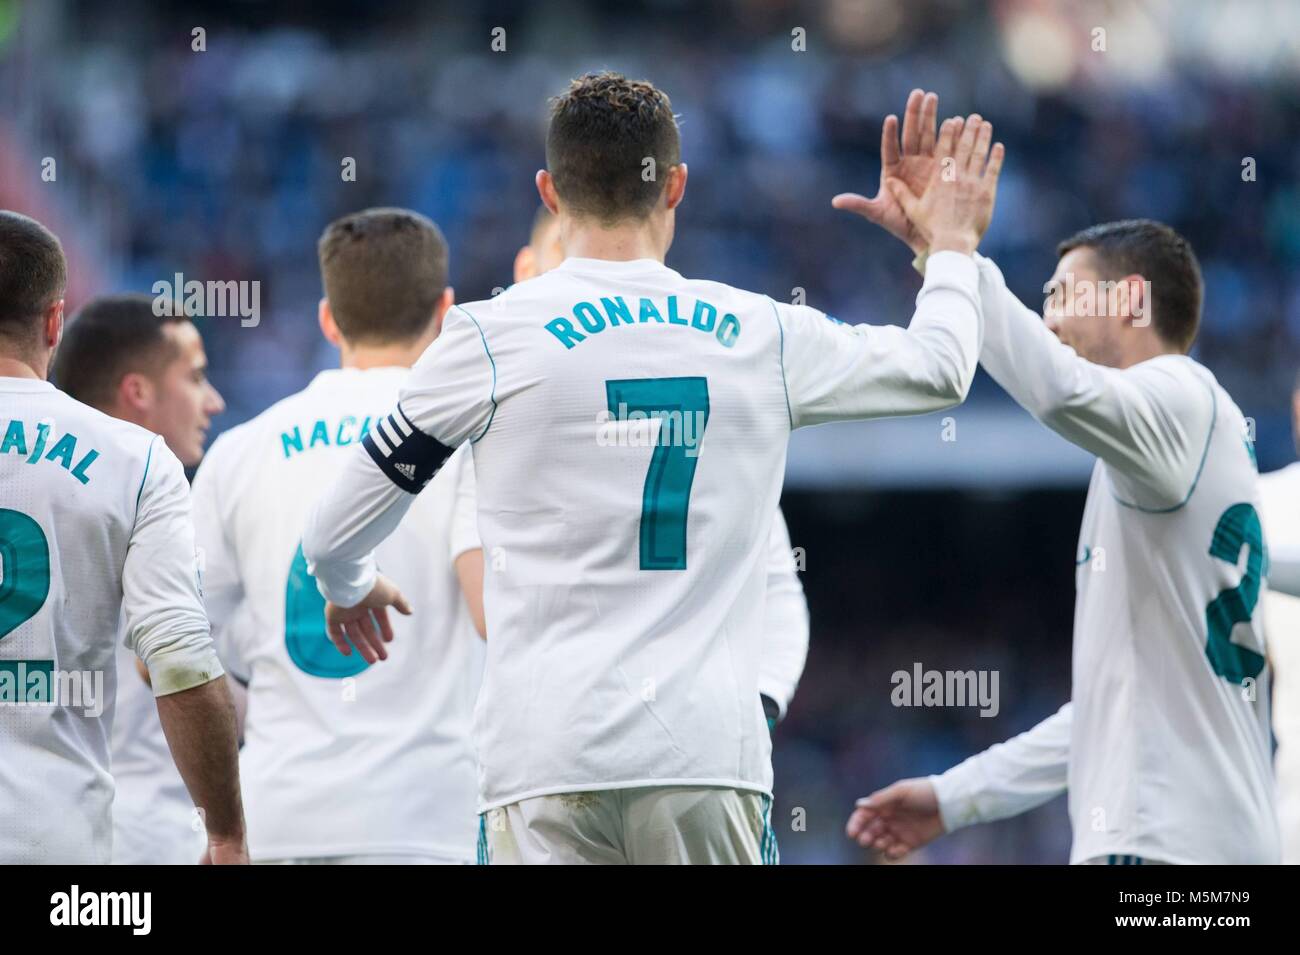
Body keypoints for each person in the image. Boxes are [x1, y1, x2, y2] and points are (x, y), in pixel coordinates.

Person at [304, 72, 998, 865]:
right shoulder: (759, 332)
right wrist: (946, 246)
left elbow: (331, 530)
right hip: (706, 758)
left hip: (545, 760)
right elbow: (944, 367)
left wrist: (349, 584)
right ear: (676, 186)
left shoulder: (488, 337)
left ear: (550, 191)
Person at [846, 91, 1277, 865]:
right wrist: (955, 796)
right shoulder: (1174, 443)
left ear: (1133, 298)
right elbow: (1112, 711)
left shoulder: (1177, 399)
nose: (1045, 319)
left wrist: (953, 254)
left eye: (1059, 295)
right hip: (1204, 853)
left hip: (1161, 855)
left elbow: (1055, 389)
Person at [191, 207, 486, 864]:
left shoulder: (238, 453)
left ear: (328, 318)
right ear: (446, 310)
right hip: (426, 821)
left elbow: (181, 652)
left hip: (277, 815)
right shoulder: (470, 446)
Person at [0, 210, 245, 864]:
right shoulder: (134, 461)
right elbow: (180, 659)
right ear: (55, 320)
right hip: (61, 841)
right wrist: (227, 832)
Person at [513, 206, 811, 733]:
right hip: (563, 736)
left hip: (618, 735)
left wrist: (758, 704)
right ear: (526, 272)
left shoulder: (710, 420)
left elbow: (777, 588)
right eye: (568, 262)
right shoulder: (494, 415)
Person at [53, 293, 231, 864]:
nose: (214, 401)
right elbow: (174, 665)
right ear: (139, 392)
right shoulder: (161, 508)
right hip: (154, 832)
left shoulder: (36, 496)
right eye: (196, 377)